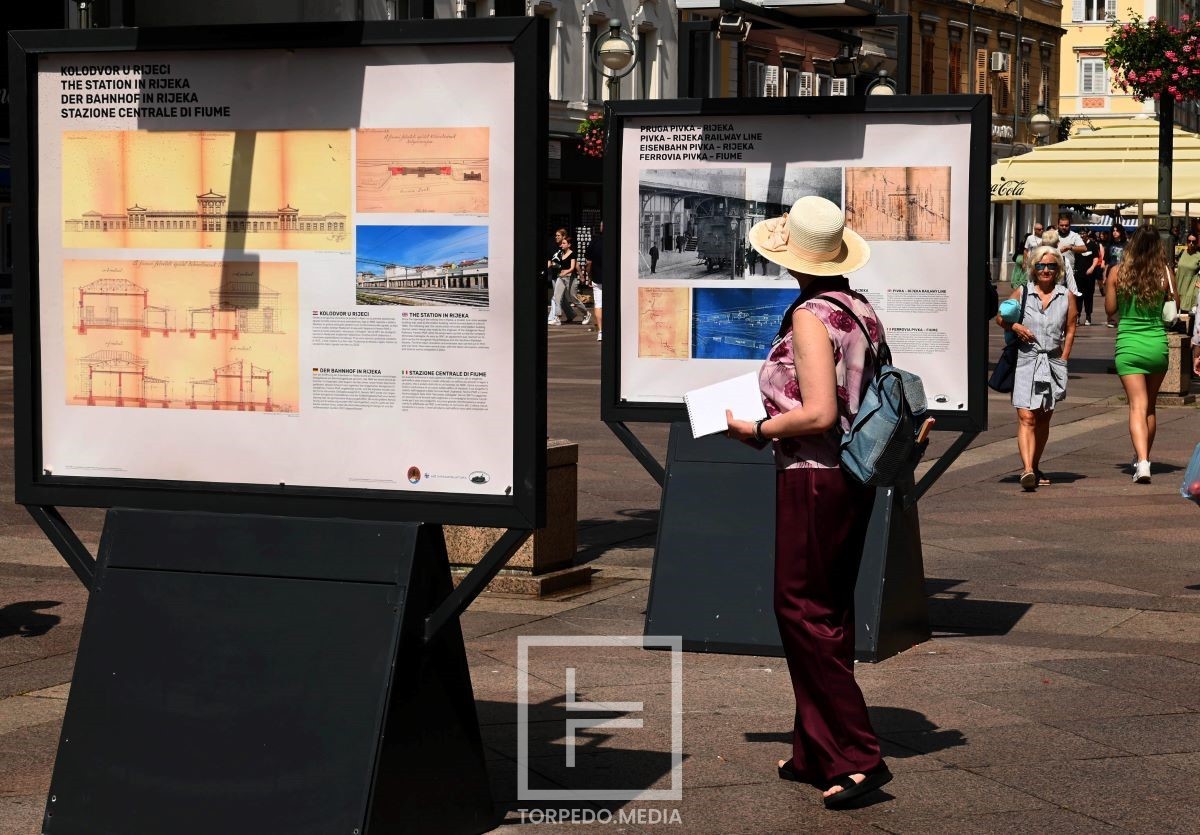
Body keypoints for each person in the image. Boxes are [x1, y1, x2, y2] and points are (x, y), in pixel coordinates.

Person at [724, 196, 892, 810]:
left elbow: (820, 412)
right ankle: (815, 747)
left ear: (792, 260)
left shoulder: (810, 316)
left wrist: (759, 430)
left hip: (813, 474)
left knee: (800, 608)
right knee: (827, 609)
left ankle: (856, 755)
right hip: (849, 477)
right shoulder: (859, 309)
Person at [1104, 225, 1180, 483]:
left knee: (1136, 405)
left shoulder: (1117, 272)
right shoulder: (1165, 273)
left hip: (1129, 345)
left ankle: (1143, 461)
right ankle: (1143, 457)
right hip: (1156, 344)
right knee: (1150, 406)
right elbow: (1174, 308)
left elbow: (1110, 310)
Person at [1000, 245, 1077, 491]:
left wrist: (1064, 357)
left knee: (1043, 418)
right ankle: (1027, 469)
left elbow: (1072, 327)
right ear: (1034, 268)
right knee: (1027, 416)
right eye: (1041, 266)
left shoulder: (1066, 296)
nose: (1046, 270)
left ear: (1058, 269)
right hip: (1026, 360)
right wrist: (1015, 327)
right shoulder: (1022, 293)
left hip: (1052, 360)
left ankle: (1035, 463)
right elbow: (1001, 317)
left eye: (1051, 266)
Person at [548, 229, 589, 326]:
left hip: (570, 278)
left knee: (573, 298)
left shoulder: (572, 254)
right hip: (560, 278)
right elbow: (556, 263)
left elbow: (574, 266)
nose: (561, 245)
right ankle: (557, 318)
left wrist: (581, 276)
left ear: (568, 244)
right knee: (557, 298)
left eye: (564, 243)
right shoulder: (561, 253)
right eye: (561, 243)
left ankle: (586, 313)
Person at [1053, 213, 1085, 299]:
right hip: (1053, 271)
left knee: (1069, 297)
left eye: (1066, 225)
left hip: (1069, 272)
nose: (1064, 227)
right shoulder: (1052, 234)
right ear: (1058, 225)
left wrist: (1070, 247)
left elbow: (1084, 248)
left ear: (1069, 225)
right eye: (1061, 225)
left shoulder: (1074, 236)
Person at [1176, 232, 1200, 334]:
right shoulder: (1182, 253)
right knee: (1177, 309)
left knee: (1188, 311)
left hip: (1191, 286)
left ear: (1197, 243)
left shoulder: (1198, 256)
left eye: (1193, 242)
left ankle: (1190, 335)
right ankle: (1180, 331)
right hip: (1179, 284)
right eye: (1189, 241)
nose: (1191, 243)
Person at [1104, 225, 1127, 327]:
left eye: (1117, 231)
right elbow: (1107, 262)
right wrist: (1104, 275)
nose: (1115, 233)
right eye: (1113, 231)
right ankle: (1111, 319)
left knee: (1122, 296)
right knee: (1110, 296)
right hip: (1111, 272)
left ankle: (1121, 317)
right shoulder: (1109, 245)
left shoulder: (1126, 245)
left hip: (1123, 272)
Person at [585, 222, 604, 341]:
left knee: (598, 304)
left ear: (601, 227)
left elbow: (588, 263)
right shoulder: (617, 239)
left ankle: (601, 332)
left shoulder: (595, 241)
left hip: (597, 277)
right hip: (613, 278)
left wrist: (589, 276)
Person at [1074, 229, 1098, 325]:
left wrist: (1092, 268)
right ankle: (1078, 315)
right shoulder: (1076, 245)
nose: (1082, 235)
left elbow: (1096, 258)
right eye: (1080, 233)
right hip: (1078, 273)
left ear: (1087, 234)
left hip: (1089, 274)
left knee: (1088, 296)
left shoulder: (1092, 245)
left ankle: (1088, 316)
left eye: (1083, 233)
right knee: (1078, 296)